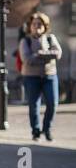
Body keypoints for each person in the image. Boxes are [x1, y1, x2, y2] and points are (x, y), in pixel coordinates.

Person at [19, 11, 62, 141]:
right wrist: (46, 55)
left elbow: (58, 54)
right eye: (34, 24)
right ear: (30, 26)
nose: (36, 26)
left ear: (45, 26)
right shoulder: (25, 41)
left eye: (40, 24)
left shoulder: (50, 38)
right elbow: (27, 59)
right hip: (31, 77)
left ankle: (47, 129)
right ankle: (36, 131)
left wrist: (39, 54)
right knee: (34, 105)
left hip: (49, 76)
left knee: (53, 104)